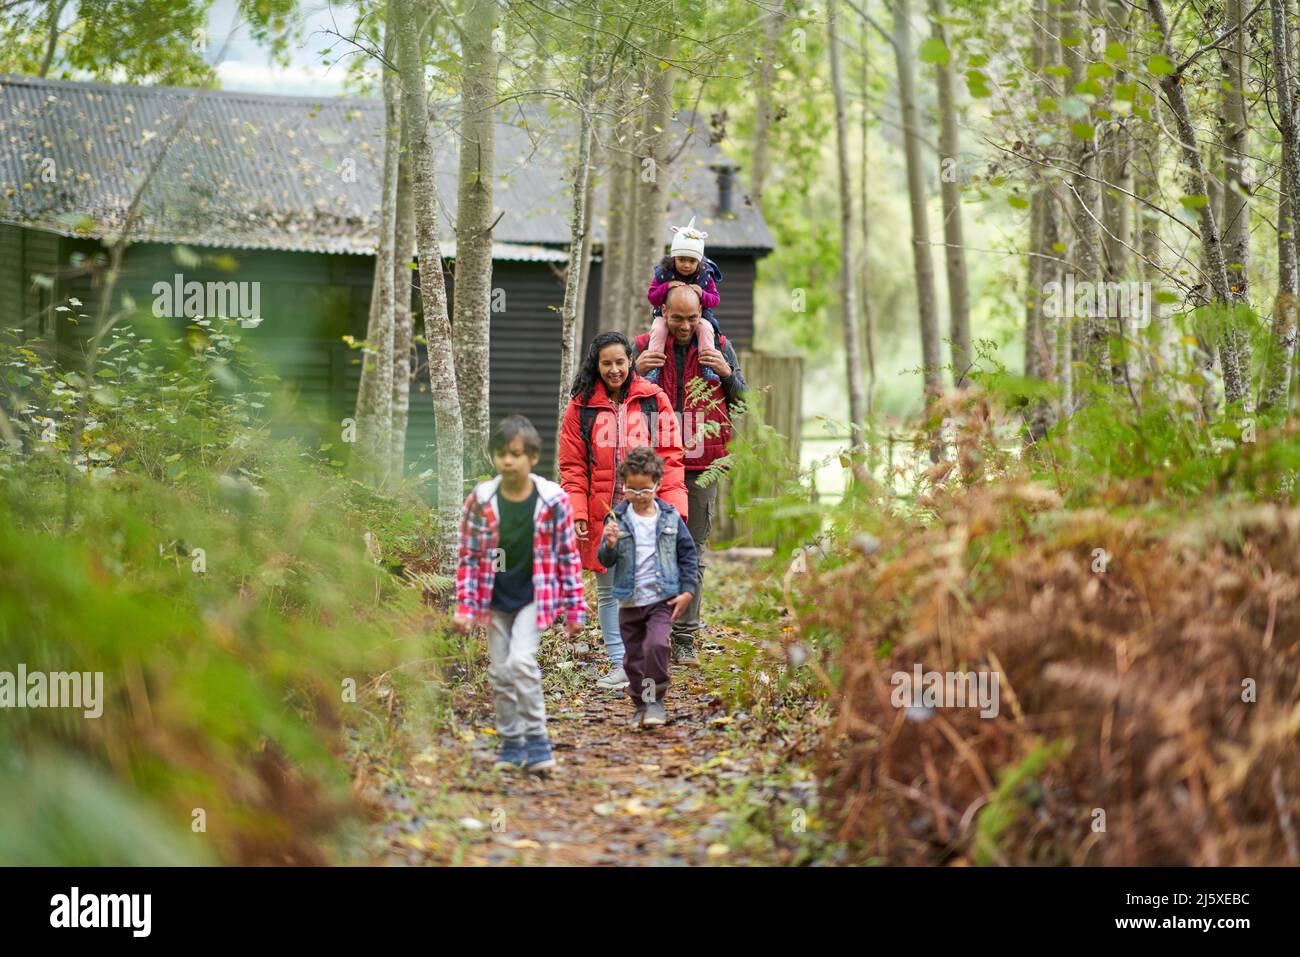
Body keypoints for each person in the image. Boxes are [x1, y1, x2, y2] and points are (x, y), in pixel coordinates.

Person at [452, 414, 585, 774]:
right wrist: (465, 608)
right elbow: (470, 557)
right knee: (500, 673)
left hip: (533, 597)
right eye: (501, 454)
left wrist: (575, 610)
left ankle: (538, 742)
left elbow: (567, 557)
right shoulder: (481, 500)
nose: (507, 461)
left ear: (532, 458)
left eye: (515, 454)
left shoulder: (552, 500)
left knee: (521, 663)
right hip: (493, 599)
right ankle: (511, 743)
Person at [557, 331, 688, 691]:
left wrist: (673, 510)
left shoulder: (652, 399)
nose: (614, 370)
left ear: (631, 361)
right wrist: (578, 513)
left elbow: (671, 457)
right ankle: (619, 664)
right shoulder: (580, 407)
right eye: (606, 363)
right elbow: (572, 467)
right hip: (602, 514)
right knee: (608, 590)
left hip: (645, 512)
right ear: (595, 365)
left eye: (620, 362)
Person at [633, 284, 747, 666]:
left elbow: (744, 401)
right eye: (677, 318)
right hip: (653, 463)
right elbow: (617, 397)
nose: (684, 326)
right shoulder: (644, 345)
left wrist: (726, 372)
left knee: (692, 551)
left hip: (701, 464)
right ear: (663, 312)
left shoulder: (720, 345)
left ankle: (685, 638)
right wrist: (636, 370)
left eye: (692, 318)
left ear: (703, 315)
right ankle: (653, 633)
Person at [595, 446, 699, 729]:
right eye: (632, 490)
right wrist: (609, 544)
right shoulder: (616, 519)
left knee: (655, 647)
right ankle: (640, 705)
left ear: (657, 485)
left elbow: (688, 555)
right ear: (624, 485)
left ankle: (654, 702)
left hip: (660, 599)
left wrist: (687, 590)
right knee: (633, 659)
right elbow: (604, 559)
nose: (638, 497)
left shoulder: (669, 517)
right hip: (629, 602)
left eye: (645, 490)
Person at [644, 217, 723, 384]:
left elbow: (715, 299)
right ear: (674, 258)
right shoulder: (664, 273)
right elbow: (652, 296)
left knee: (707, 329)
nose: (686, 265)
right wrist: (667, 286)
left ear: (699, 261)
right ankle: (654, 366)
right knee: (658, 329)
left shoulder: (704, 276)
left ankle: (707, 363)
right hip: (666, 315)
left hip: (699, 317)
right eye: (681, 260)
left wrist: (702, 293)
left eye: (692, 261)